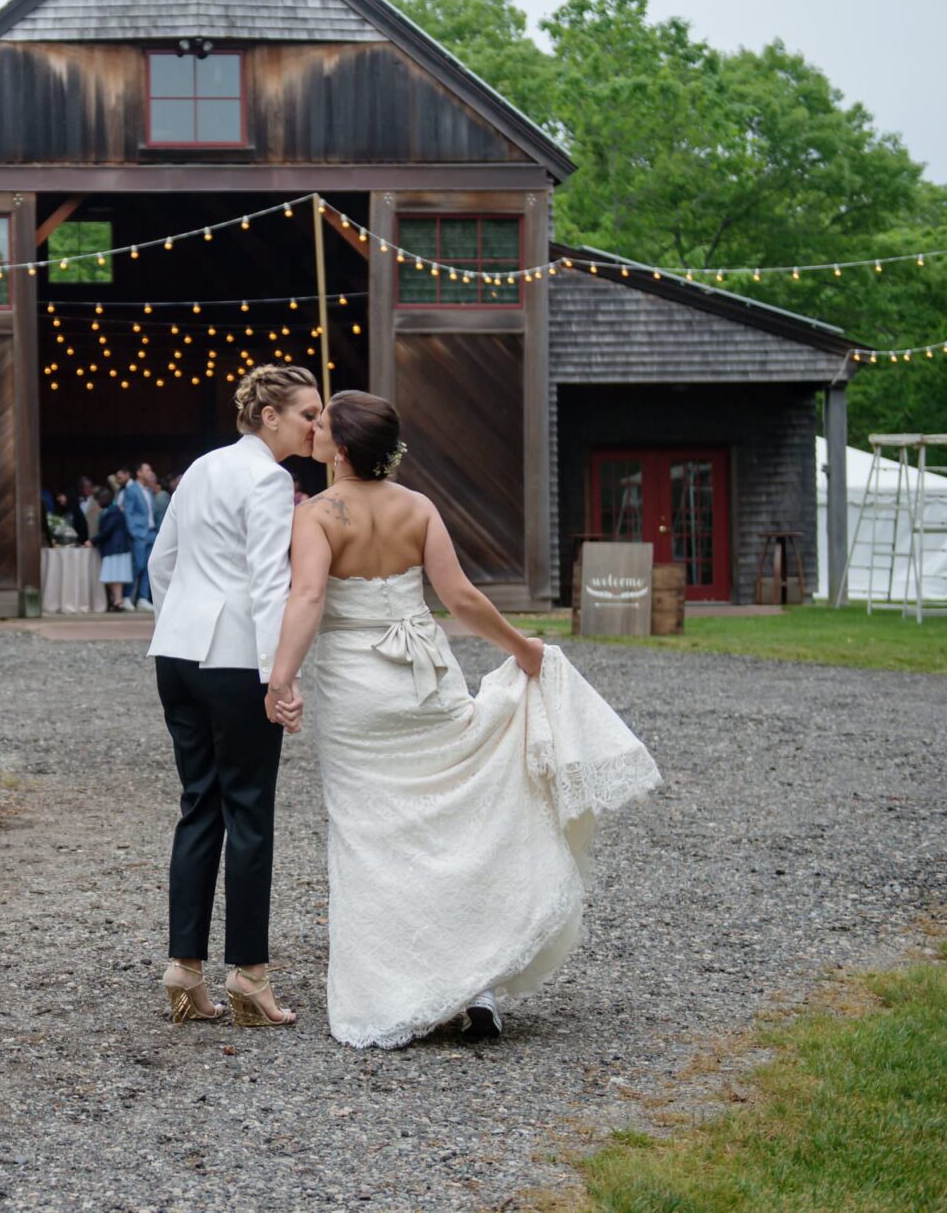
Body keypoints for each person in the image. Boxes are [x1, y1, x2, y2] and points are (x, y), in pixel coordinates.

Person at [265, 391, 659, 1049]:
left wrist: (282, 678)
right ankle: (473, 984)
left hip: (359, 695)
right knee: (452, 821)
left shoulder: (317, 516)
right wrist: (523, 649)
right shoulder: (417, 508)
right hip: (427, 685)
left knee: (372, 838)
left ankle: (401, 989)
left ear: (340, 448)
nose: (315, 430)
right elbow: (462, 599)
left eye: (323, 425)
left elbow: (306, 596)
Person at [147, 364, 323, 1028]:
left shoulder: (200, 467)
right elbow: (267, 580)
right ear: (270, 416)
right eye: (308, 413)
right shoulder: (271, 478)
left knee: (200, 806)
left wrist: (181, 621)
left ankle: (183, 967)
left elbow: (162, 562)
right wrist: (281, 675)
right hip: (232, 661)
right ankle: (250, 974)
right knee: (249, 814)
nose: (317, 424)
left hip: (178, 654)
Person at [117, 465, 155, 611]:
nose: (150, 473)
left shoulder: (148, 490)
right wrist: (133, 531)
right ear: (139, 473)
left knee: (148, 566)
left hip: (151, 531)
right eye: (147, 470)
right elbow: (128, 512)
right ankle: (127, 596)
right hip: (139, 532)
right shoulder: (132, 490)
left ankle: (143, 597)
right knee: (137, 564)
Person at [92, 485, 133, 610]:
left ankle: (118, 600)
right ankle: (117, 600)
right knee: (113, 576)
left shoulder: (113, 511)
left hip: (116, 548)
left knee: (115, 575)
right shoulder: (111, 511)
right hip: (114, 548)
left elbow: (106, 530)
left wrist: (92, 541)